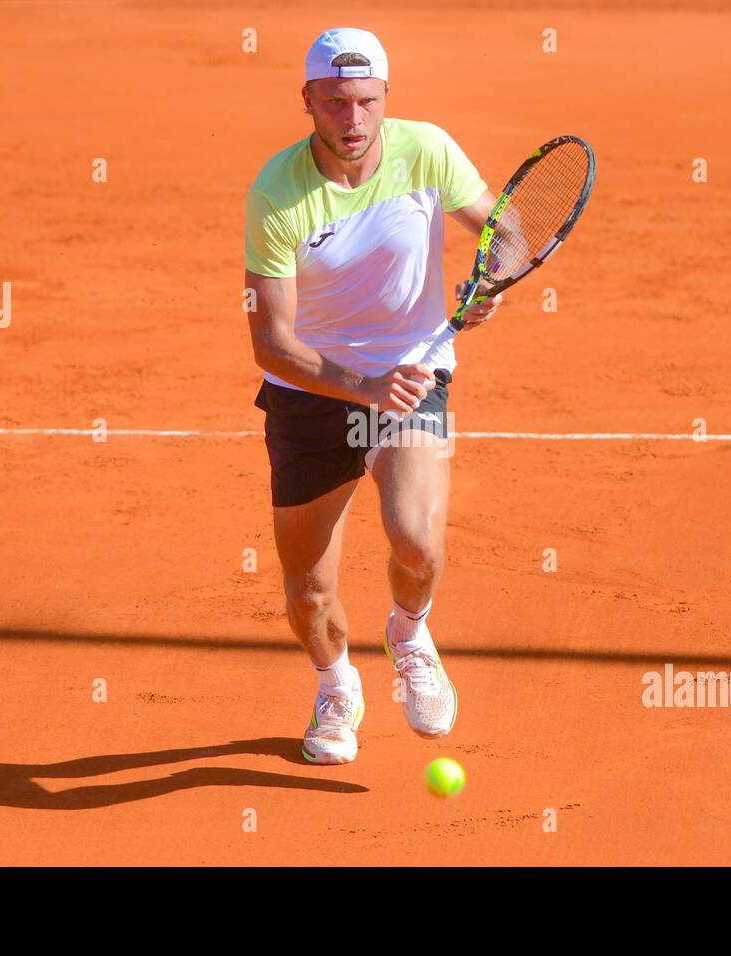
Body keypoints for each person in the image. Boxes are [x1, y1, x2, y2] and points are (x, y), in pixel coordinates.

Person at [244, 27, 502, 764]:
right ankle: (336, 684)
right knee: (309, 590)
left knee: (417, 539)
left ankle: (409, 635)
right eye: (334, 102)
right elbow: (272, 345)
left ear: (386, 96)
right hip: (311, 389)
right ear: (307, 101)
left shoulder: (427, 150)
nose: (352, 119)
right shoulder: (277, 192)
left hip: (411, 371)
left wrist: (489, 279)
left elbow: (503, 229)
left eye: (365, 101)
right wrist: (362, 386)